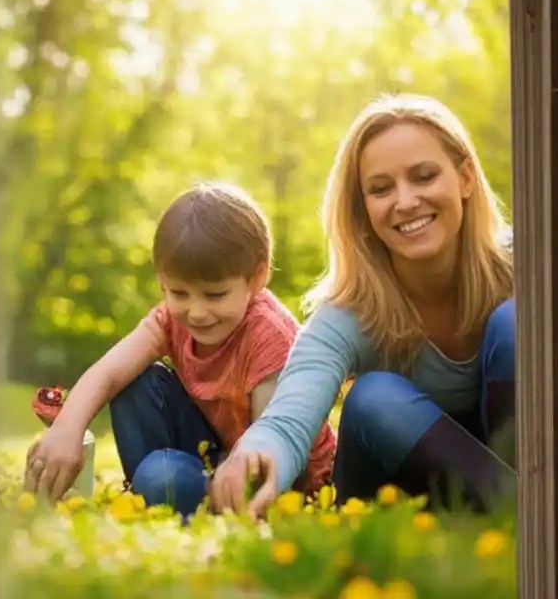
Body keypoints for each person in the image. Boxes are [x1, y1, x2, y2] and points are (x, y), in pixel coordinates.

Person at [208, 94, 516, 519]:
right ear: (363, 209)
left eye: (424, 177)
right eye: (381, 189)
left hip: (512, 469)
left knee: (516, 323)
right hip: (397, 499)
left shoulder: (527, 265)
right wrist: (257, 451)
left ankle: (526, 510)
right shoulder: (349, 312)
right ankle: (526, 512)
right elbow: (291, 410)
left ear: (465, 178)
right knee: (373, 397)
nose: (405, 201)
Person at [22, 182, 337, 515]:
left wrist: (236, 483)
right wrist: (65, 431)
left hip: (283, 476)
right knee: (137, 382)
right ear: (162, 282)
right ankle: (154, 489)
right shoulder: (170, 321)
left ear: (256, 279)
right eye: (179, 293)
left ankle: (166, 490)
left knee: (164, 478)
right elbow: (108, 372)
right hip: (217, 456)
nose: (197, 312)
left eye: (215, 295)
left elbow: (272, 438)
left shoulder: (268, 333)